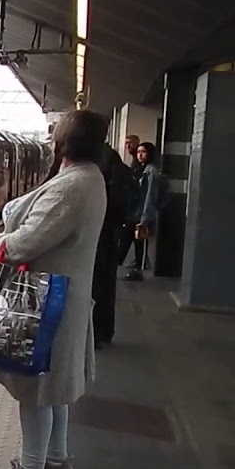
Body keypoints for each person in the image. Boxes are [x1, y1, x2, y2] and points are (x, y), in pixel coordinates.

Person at [0, 109, 108, 469]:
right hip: (65, 297)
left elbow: (22, 244)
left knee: (35, 390)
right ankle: (56, 457)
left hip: (47, 304)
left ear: (61, 142)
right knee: (54, 389)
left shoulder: (70, 187)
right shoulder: (91, 179)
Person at [93, 142, 134, 347]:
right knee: (106, 284)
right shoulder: (117, 165)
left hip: (98, 234)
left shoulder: (97, 168)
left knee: (94, 285)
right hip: (110, 234)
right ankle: (103, 331)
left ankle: (94, 333)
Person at [123, 142, 163, 281]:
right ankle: (137, 267)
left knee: (141, 242)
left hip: (144, 211)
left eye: (144, 152)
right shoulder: (140, 169)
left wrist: (145, 217)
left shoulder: (151, 171)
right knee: (136, 240)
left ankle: (139, 270)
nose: (140, 155)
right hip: (137, 210)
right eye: (139, 152)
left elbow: (150, 194)